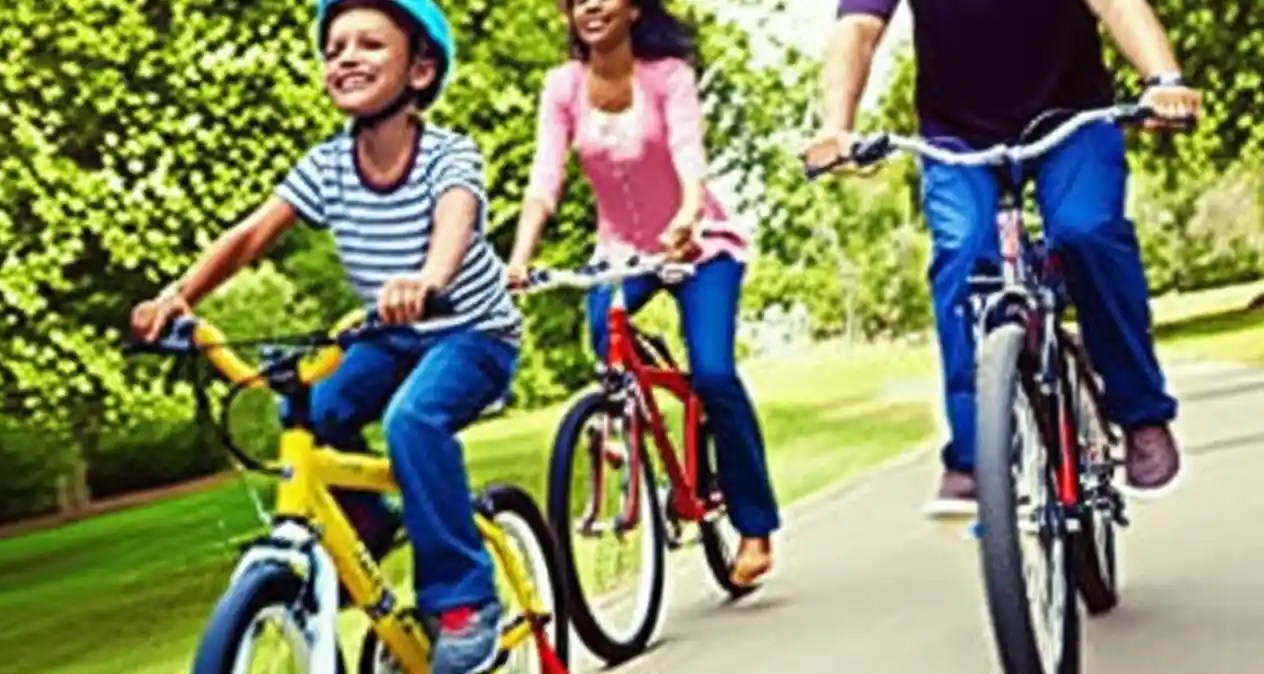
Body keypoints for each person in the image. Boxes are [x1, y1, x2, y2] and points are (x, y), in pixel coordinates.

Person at [129, 0, 523, 674]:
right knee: (311, 408)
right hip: (391, 336)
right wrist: (178, 297)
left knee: (413, 421)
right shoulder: (328, 166)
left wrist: (428, 279)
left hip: (471, 333)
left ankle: (464, 602)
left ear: (420, 69)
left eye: (369, 44)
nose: (345, 57)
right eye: (334, 47)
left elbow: (455, 224)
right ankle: (368, 523)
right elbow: (250, 236)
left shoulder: (448, 155)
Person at [804, 0, 1203, 518]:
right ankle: (975, 458)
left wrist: (1163, 79)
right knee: (964, 255)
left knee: (1086, 232)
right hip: (957, 138)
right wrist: (835, 126)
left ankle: (1141, 414)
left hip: (1072, 122)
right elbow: (857, 29)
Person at [506, 0, 781, 587]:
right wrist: (520, 258)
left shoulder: (668, 77)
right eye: (576, 0)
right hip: (621, 251)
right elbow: (544, 179)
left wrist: (687, 216)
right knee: (603, 335)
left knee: (713, 375)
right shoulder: (563, 87)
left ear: (633, 8)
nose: (590, 6)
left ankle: (754, 526)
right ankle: (622, 423)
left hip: (698, 245)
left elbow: (689, 157)